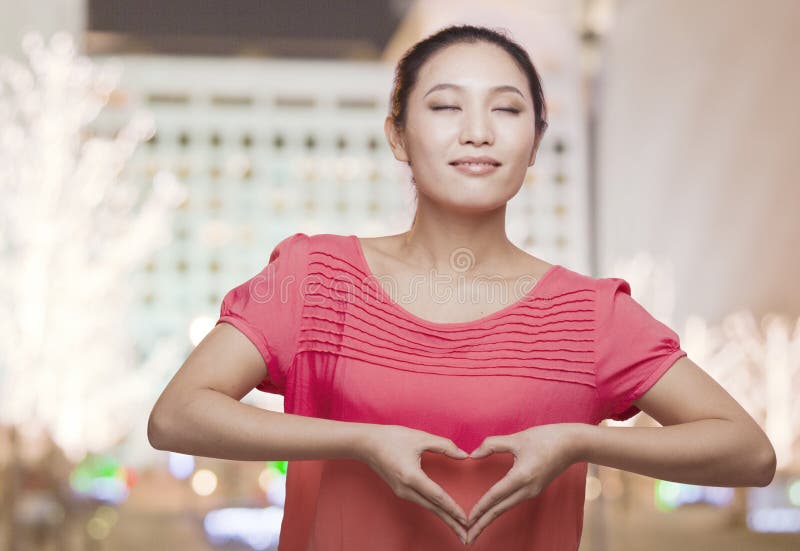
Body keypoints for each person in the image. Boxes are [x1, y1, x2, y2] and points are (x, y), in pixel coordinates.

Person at [148, 24, 776, 550]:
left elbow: (748, 452)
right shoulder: (317, 280)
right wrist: (361, 440)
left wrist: (579, 441)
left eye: (507, 109)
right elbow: (178, 415)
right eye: (446, 106)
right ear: (398, 134)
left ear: (534, 144)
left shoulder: (588, 315)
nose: (478, 131)